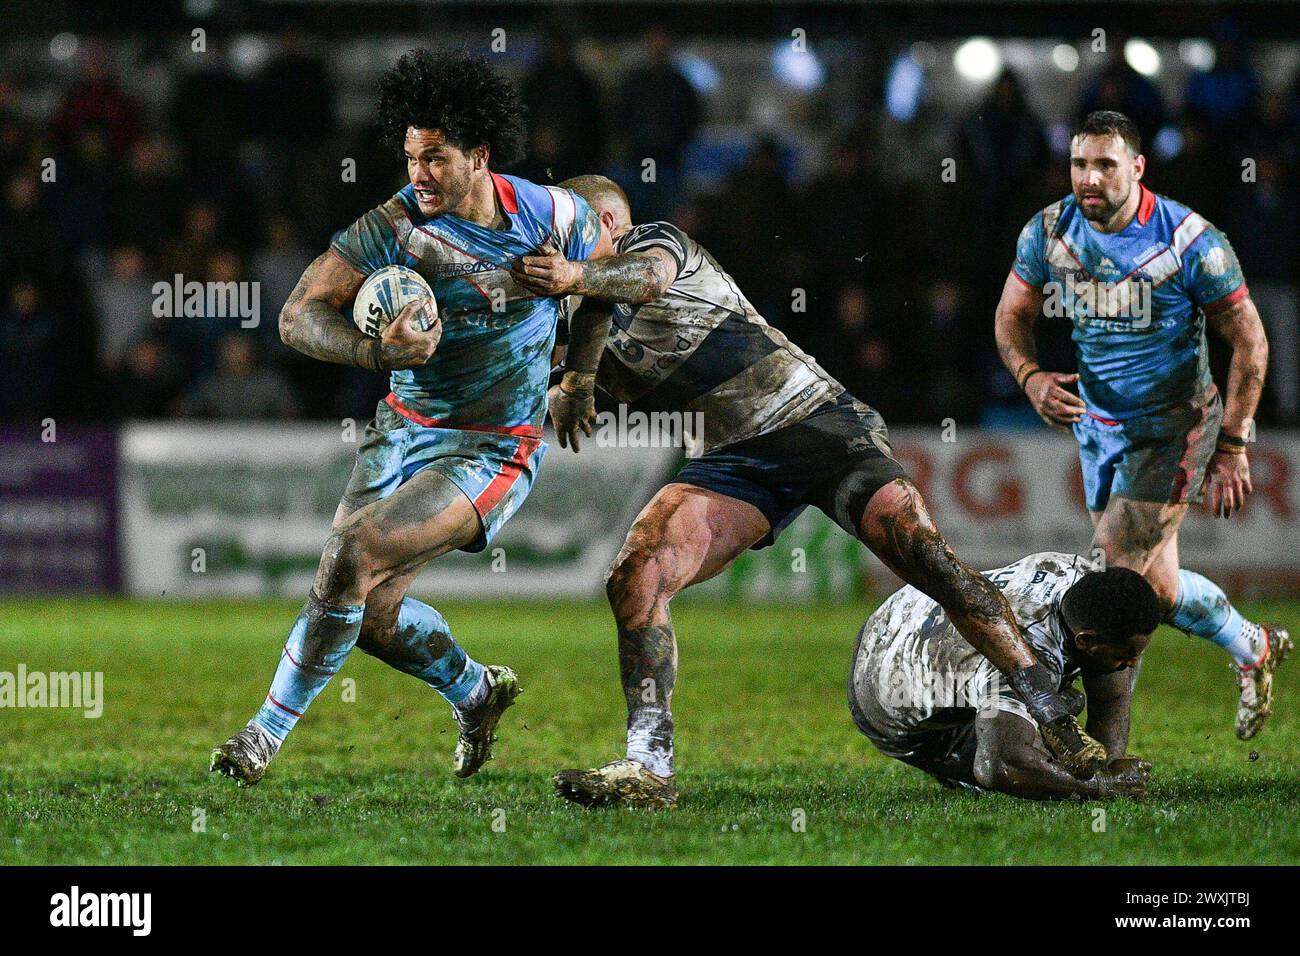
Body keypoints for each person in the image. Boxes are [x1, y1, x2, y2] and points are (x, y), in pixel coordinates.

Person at [509, 175, 1108, 808]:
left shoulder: (658, 243)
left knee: (930, 562)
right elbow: (539, 369)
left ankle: (1053, 713)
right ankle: (649, 767)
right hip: (731, 459)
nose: (551, 240)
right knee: (635, 576)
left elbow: (645, 280)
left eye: (564, 226)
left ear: (604, 225)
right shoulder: (575, 319)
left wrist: (573, 282)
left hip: (816, 424)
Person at [210, 49, 605, 787]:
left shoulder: (551, 217)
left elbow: (608, 277)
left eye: (435, 158)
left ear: (479, 157)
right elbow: (297, 317)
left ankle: (261, 737)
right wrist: (374, 352)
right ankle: (478, 692)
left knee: (348, 561)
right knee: (368, 613)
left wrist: (580, 374)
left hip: (493, 447)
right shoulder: (391, 228)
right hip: (401, 431)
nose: (418, 174)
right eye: (410, 156)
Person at [994, 110, 1290, 741]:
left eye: (1105, 164)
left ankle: (1091, 748)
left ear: (1137, 167)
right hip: (1098, 428)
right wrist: (1031, 378)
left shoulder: (1189, 241)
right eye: (1080, 164)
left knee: (1106, 576)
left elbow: (1251, 342)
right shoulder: (1049, 231)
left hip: (1173, 428)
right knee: (1154, 590)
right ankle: (1253, 644)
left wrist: (1234, 442)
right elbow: (1011, 314)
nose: (1089, 178)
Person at [850, 555, 1159, 801]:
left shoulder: (1077, 575)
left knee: (1067, 700)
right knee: (1039, 768)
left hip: (902, 614)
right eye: (1126, 653)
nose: (1132, 663)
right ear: (1085, 640)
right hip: (882, 697)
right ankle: (949, 758)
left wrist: (1105, 764)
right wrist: (1102, 786)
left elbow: (1112, 696)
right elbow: (998, 766)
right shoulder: (1023, 659)